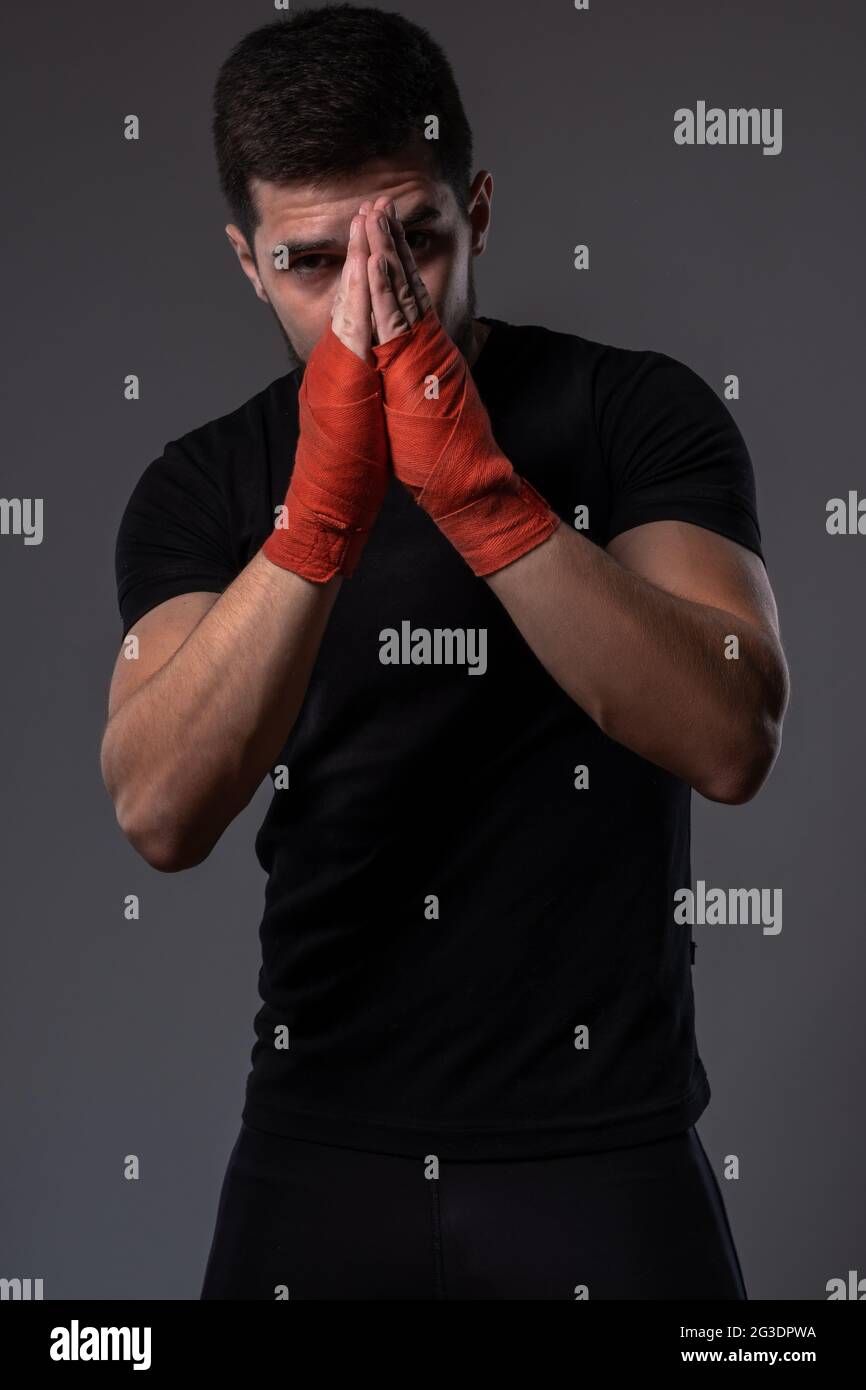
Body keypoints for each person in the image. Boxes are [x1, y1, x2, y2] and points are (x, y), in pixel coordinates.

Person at [100, 6, 789, 1300]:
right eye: (311, 262)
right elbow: (159, 809)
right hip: (322, 1142)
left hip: (605, 1147)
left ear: (476, 212)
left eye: (412, 238)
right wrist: (316, 516)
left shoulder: (632, 412)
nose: (371, 298)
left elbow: (730, 735)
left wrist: (482, 497)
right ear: (247, 262)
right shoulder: (205, 482)